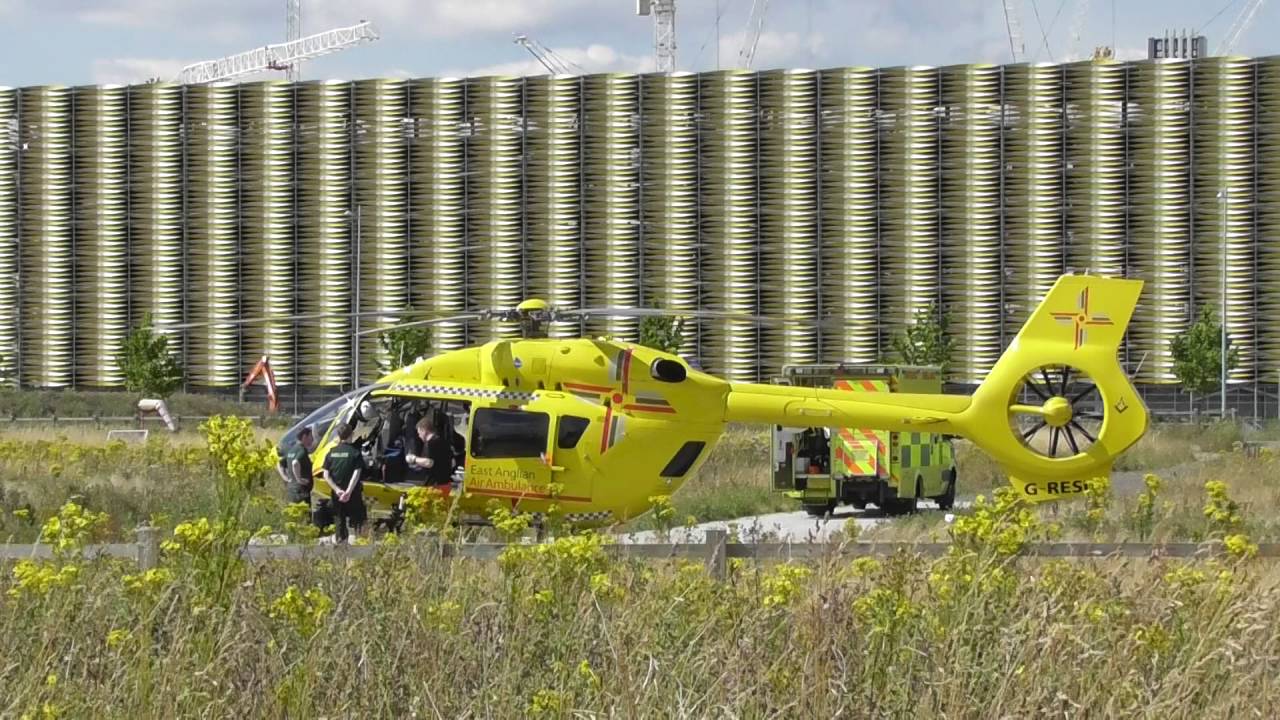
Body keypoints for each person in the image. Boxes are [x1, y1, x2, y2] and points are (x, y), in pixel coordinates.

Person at [322, 422, 366, 543]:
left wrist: (337, 490)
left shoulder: (331, 452)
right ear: (351, 435)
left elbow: (326, 475)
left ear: (338, 435)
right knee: (358, 520)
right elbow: (356, 474)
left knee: (339, 522)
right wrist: (348, 492)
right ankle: (359, 547)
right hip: (353, 494)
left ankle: (341, 547)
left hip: (337, 495)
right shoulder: (355, 453)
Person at [406, 416, 454, 490]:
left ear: (424, 430)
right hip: (446, 484)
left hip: (435, 486)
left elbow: (429, 462)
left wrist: (413, 459)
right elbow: (452, 462)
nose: (419, 436)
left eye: (419, 433)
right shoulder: (443, 441)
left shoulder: (431, 443)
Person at [277, 425, 315, 507]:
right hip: (301, 491)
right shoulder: (302, 450)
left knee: (295, 516)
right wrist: (299, 480)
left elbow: (280, 463)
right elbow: (295, 463)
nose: (312, 440)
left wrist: (285, 478)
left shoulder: (292, 450)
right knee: (304, 516)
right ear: (304, 437)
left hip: (292, 490)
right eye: (311, 436)